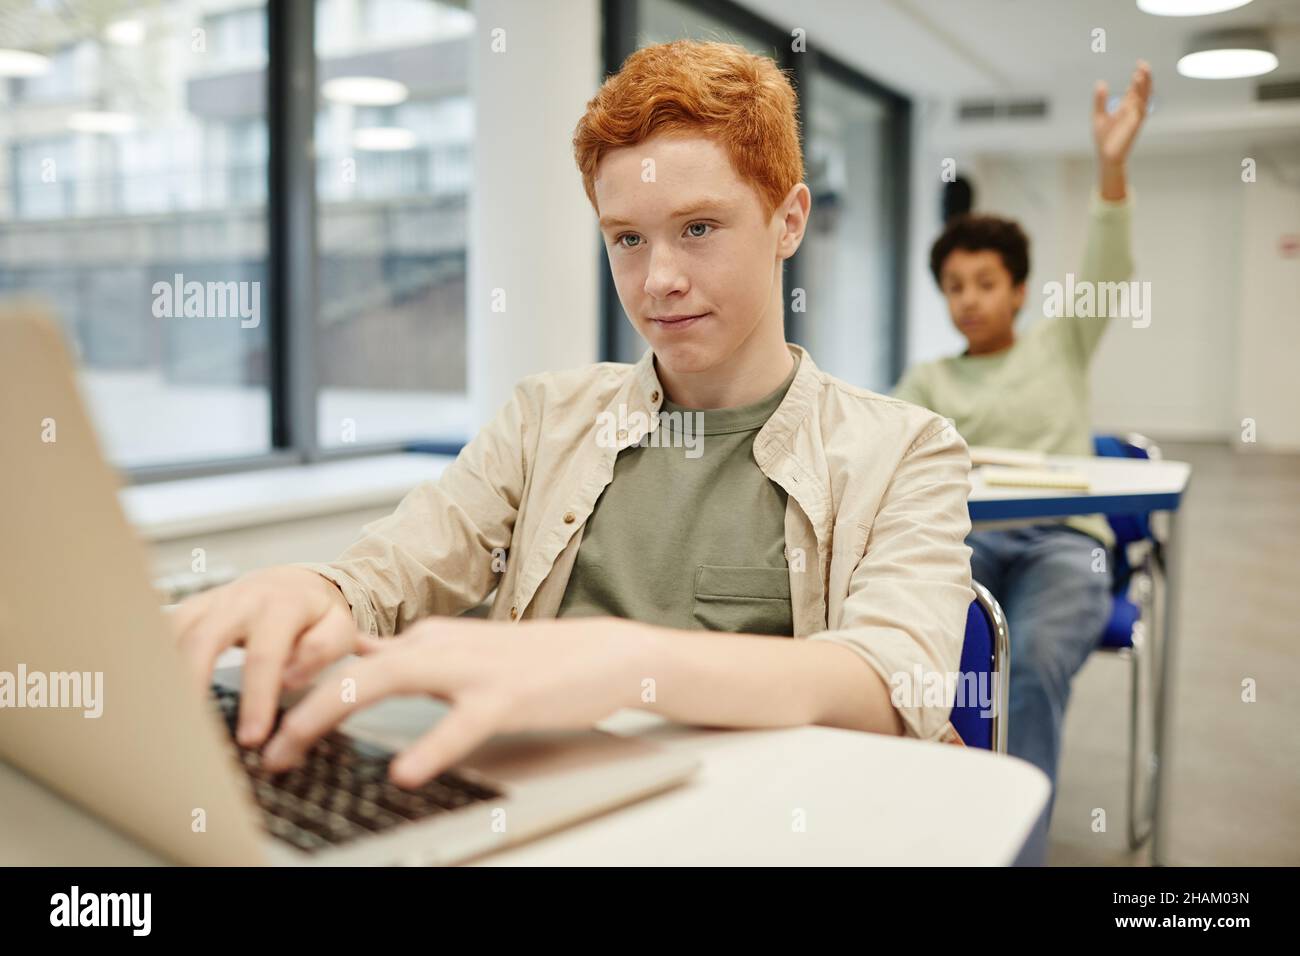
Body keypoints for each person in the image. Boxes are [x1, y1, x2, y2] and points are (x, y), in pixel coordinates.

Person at [174, 40, 974, 788]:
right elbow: (398, 567)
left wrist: (621, 663)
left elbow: (891, 679)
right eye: (627, 238)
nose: (658, 278)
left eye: (699, 228)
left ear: (788, 220)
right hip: (554, 810)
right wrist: (317, 588)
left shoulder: (906, 450)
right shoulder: (546, 419)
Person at [893, 61, 1152, 802]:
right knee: (923, 658)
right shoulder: (928, 382)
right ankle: (937, 815)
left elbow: (1109, 264)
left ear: (1017, 289)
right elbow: (881, 447)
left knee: (1031, 663)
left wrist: (1111, 167)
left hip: (1067, 541)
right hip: (965, 542)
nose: (968, 301)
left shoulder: (1060, 344)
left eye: (984, 283)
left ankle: (1012, 828)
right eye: (953, 287)